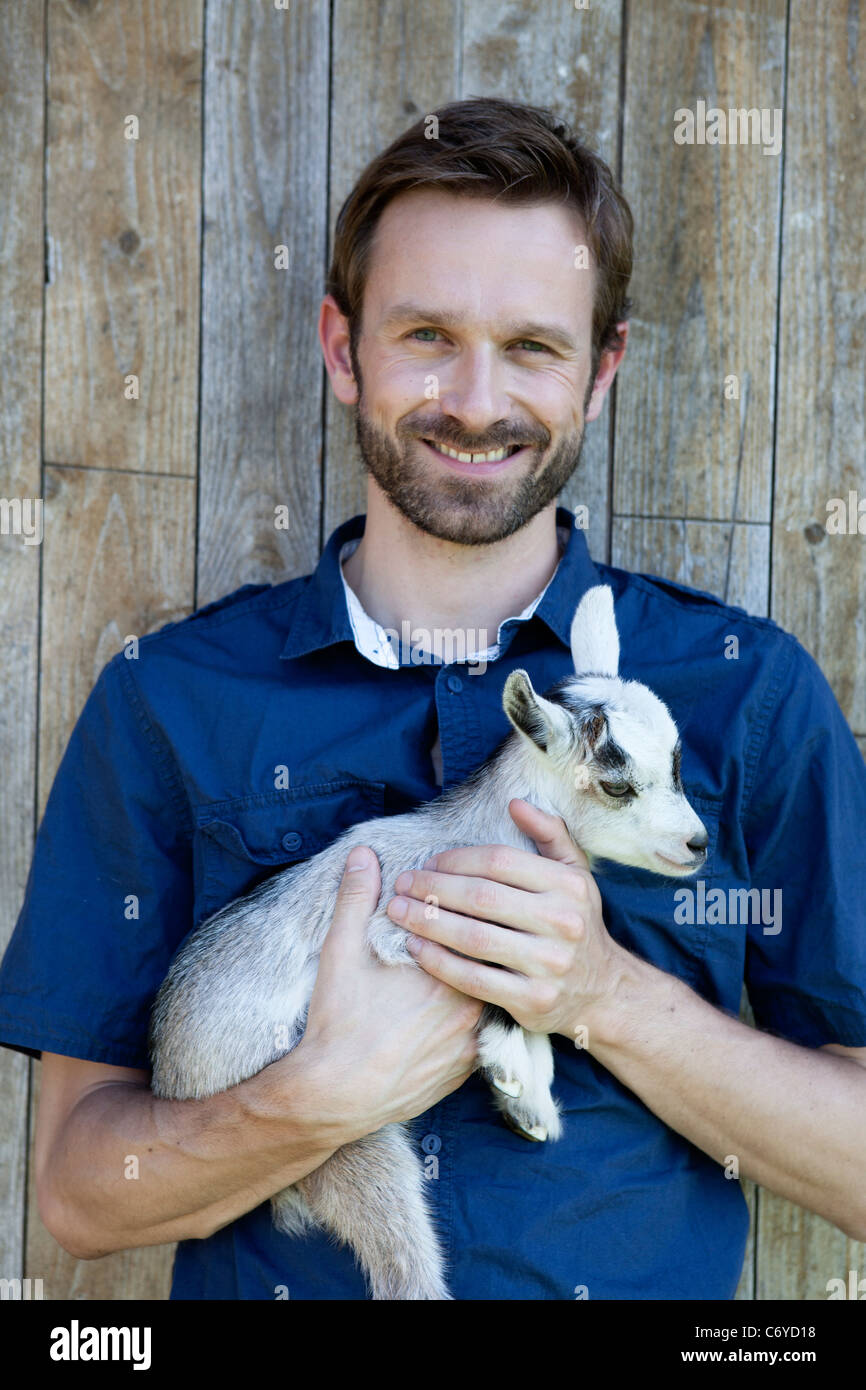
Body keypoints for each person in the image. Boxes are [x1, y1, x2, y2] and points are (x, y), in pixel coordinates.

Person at [2, 97, 865, 1302]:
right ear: (342, 347)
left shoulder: (748, 697)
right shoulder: (170, 702)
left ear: (600, 372)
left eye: (531, 347)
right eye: (425, 335)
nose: (473, 400)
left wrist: (606, 998)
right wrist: (309, 1101)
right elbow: (78, 1194)